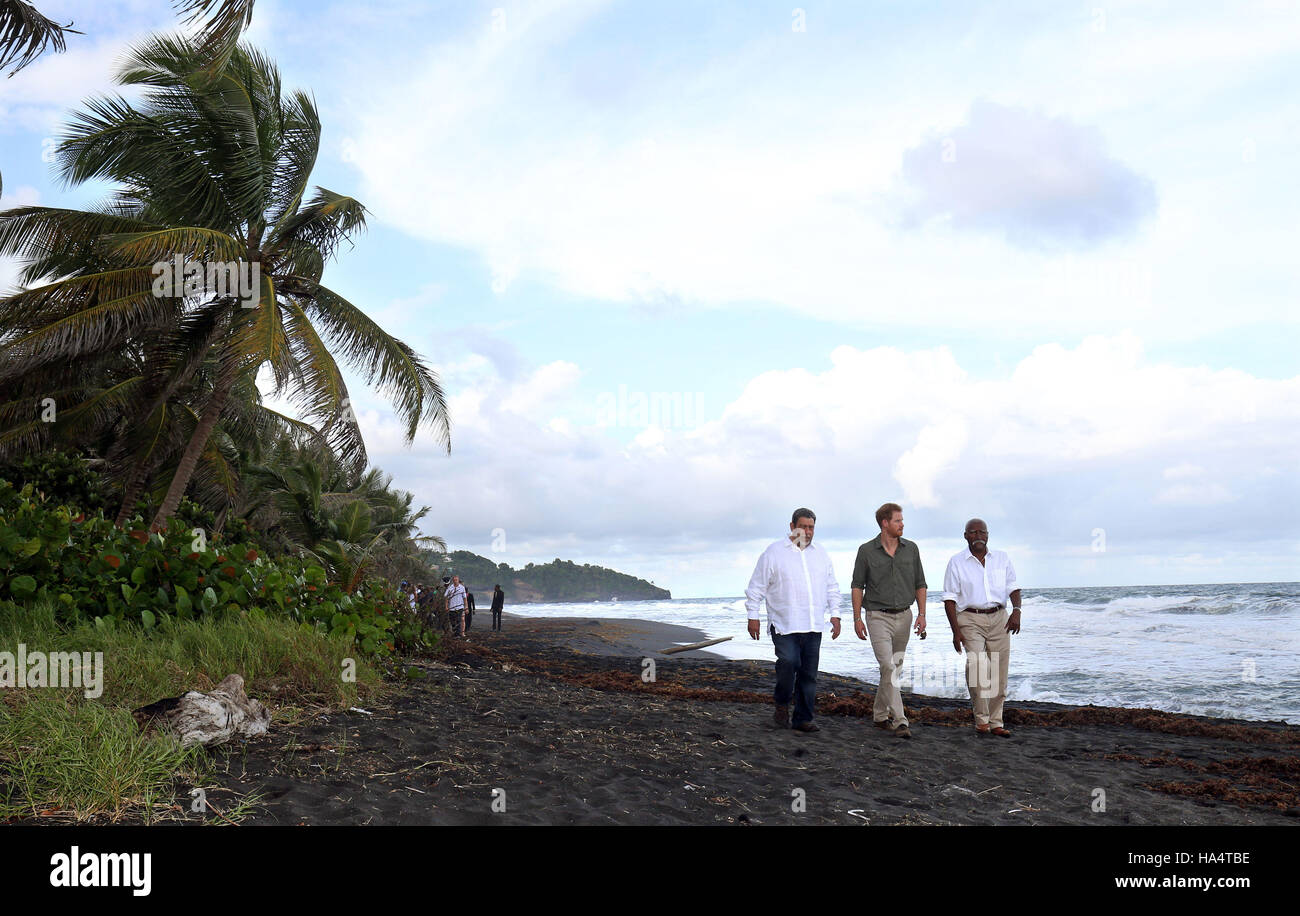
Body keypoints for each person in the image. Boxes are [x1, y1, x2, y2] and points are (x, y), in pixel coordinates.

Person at [745, 508, 842, 733]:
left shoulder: (821, 554)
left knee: (809, 675)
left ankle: (803, 719)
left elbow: (832, 587)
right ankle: (781, 703)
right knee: (788, 664)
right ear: (792, 527)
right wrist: (753, 617)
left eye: (811, 527)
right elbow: (756, 588)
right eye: (803, 527)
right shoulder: (774, 552)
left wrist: (835, 615)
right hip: (784, 624)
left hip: (813, 625)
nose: (807, 532)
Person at [851, 502, 927, 739]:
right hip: (876, 617)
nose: (902, 524)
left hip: (905, 616)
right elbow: (857, 586)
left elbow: (920, 584)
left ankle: (879, 714)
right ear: (885, 523)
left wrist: (922, 614)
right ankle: (901, 721)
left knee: (893, 670)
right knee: (888, 667)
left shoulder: (911, 549)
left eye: (902, 520)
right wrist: (856, 618)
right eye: (898, 520)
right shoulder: (866, 551)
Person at [942, 518, 1022, 737]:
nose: (978, 536)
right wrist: (955, 631)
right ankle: (981, 720)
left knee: (998, 672)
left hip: (999, 618)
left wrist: (1017, 610)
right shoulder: (956, 562)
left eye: (982, 532)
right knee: (978, 665)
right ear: (966, 536)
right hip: (969, 618)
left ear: (988, 535)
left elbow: (1013, 587)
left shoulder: (1002, 558)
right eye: (973, 532)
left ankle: (996, 722)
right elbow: (949, 599)